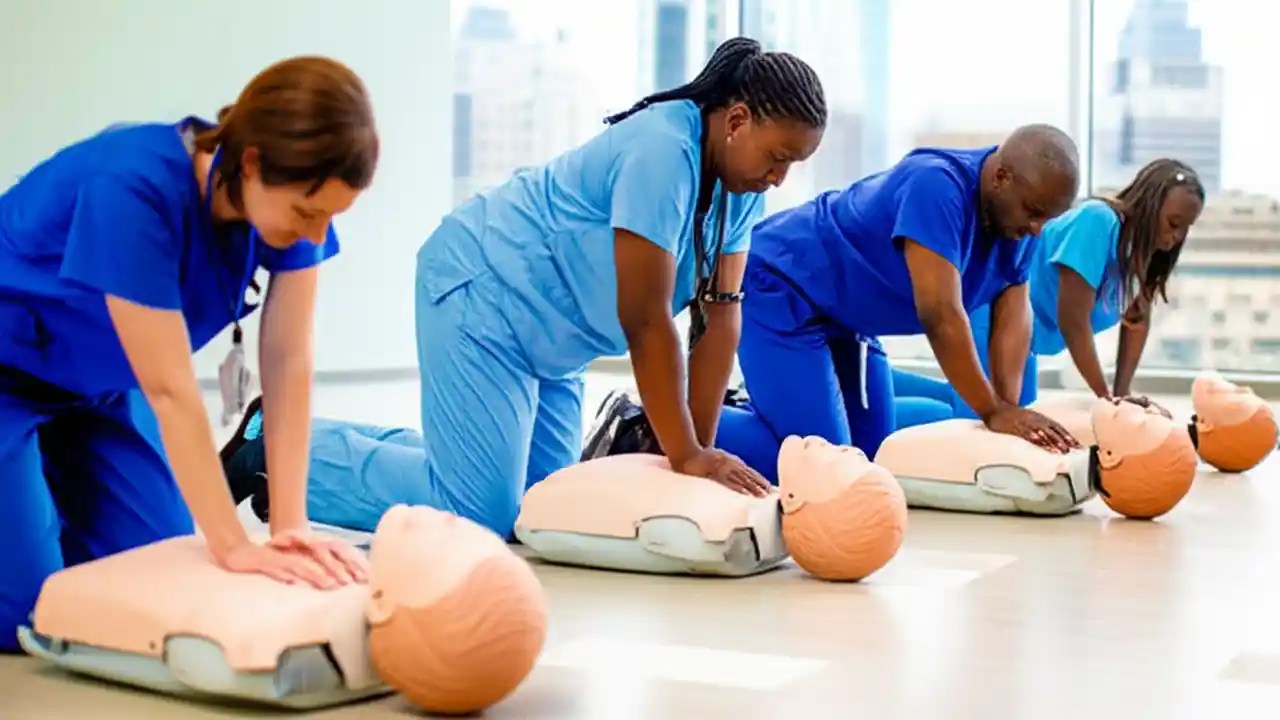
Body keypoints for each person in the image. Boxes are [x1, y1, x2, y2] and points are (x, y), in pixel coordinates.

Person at [221, 37, 828, 539]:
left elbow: (722, 321)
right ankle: (270, 447)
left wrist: (695, 457)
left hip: (558, 343)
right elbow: (647, 321)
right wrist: (687, 455)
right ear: (738, 121)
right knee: (479, 517)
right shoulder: (663, 151)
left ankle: (313, 437)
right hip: (484, 292)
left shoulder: (737, 192)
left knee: (542, 510)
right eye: (777, 157)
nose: (779, 178)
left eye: (792, 166)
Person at [0, 56, 377, 653]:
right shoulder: (133, 187)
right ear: (252, 162)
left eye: (331, 216)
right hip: (9, 370)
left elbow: (288, 363)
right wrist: (232, 545)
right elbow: (171, 390)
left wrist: (290, 527)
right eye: (309, 213)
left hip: (96, 385)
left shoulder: (289, 216)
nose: (316, 234)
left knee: (151, 577)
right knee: (26, 615)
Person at [587, 125, 1085, 485]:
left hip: (848, 320)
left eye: (1048, 218)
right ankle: (644, 426)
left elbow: (1012, 317)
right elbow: (941, 312)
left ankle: (741, 404)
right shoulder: (939, 186)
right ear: (1000, 177)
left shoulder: (1018, 219)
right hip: (783, 285)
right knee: (828, 462)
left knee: (867, 455)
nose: (1038, 229)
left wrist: (1010, 408)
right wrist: (993, 410)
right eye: (1035, 213)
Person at [891, 158, 1205, 424]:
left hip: (1024, 337)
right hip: (997, 311)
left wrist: (1122, 393)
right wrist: (1107, 399)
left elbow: (1136, 326)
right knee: (978, 422)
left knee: (1005, 410)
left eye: (1186, 228)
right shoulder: (1099, 222)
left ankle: (878, 382)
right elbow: (1074, 322)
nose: (1176, 236)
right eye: (1173, 222)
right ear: (1150, 204)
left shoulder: (1140, 261)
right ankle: (865, 411)